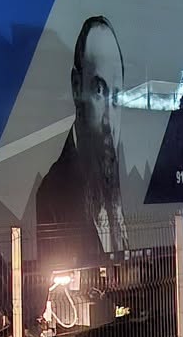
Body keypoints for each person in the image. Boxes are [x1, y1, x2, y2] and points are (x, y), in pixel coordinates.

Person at [35, 15, 129, 258]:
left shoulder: (116, 187)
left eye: (116, 97)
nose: (109, 119)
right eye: (99, 91)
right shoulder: (53, 194)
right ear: (77, 88)